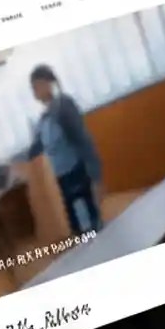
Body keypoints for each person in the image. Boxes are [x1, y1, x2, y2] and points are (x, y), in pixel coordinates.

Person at [26, 64, 105, 235]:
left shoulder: (64, 106)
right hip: (58, 178)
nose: (34, 91)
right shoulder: (42, 118)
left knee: (93, 226)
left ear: (48, 84)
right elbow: (36, 147)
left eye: (36, 86)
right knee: (76, 229)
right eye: (32, 88)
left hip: (76, 170)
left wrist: (95, 173)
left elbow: (82, 138)